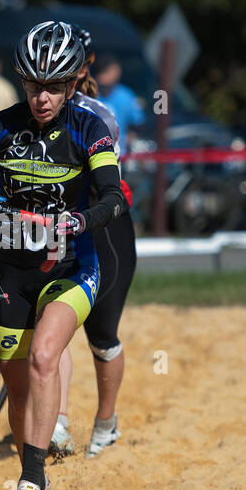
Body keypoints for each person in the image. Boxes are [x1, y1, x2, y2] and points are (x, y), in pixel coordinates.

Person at [0, 21, 127, 490]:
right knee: (20, 386)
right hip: (11, 265)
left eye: (53, 87)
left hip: (73, 265)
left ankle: (32, 481)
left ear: (73, 85)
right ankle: (33, 459)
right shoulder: (0, 125)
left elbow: (113, 197)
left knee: (46, 357)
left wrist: (78, 219)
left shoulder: (90, 130)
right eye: (32, 85)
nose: (41, 97)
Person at [48, 26, 138, 459]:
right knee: (52, 322)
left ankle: (106, 422)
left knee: (101, 335)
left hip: (104, 230)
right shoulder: (33, 113)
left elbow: (104, 188)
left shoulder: (97, 114)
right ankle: (58, 422)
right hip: (52, 227)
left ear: (83, 66)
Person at [93, 54, 145, 159]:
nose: (104, 75)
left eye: (107, 71)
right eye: (102, 71)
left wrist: (131, 140)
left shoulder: (126, 96)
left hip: (120, 155)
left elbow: (137, 123)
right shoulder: (90, 95)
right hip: (94, 153)